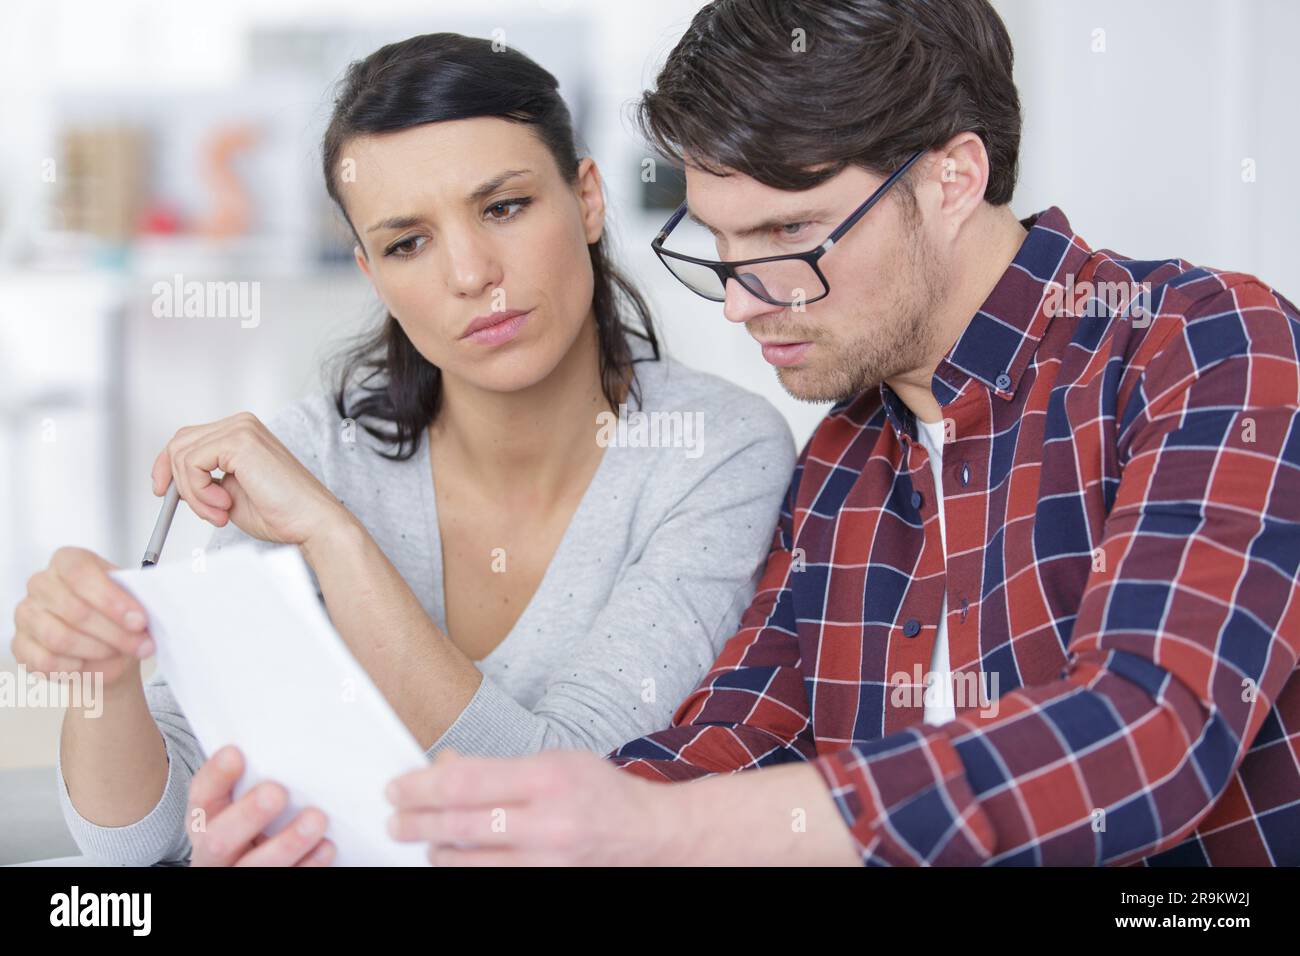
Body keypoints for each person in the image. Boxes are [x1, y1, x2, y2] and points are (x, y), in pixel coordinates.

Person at [385, 0, 1300, 867]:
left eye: (788, 230)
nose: (743, 300)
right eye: (718, 240)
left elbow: (1145, 734)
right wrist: (472, 838)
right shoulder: (844, 458)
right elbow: (737, 740)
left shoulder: (1205, 346)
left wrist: (665, 826)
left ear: (954, 179)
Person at [10, 32, 794, 866]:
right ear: (371, 273)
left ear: (589, 199)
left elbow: (562, 793)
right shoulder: (315, 451)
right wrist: (105, 677)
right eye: (407, 243)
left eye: (504, 207)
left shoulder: (719, 453)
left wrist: (336, 543)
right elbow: (136, 841)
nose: (469, 272)